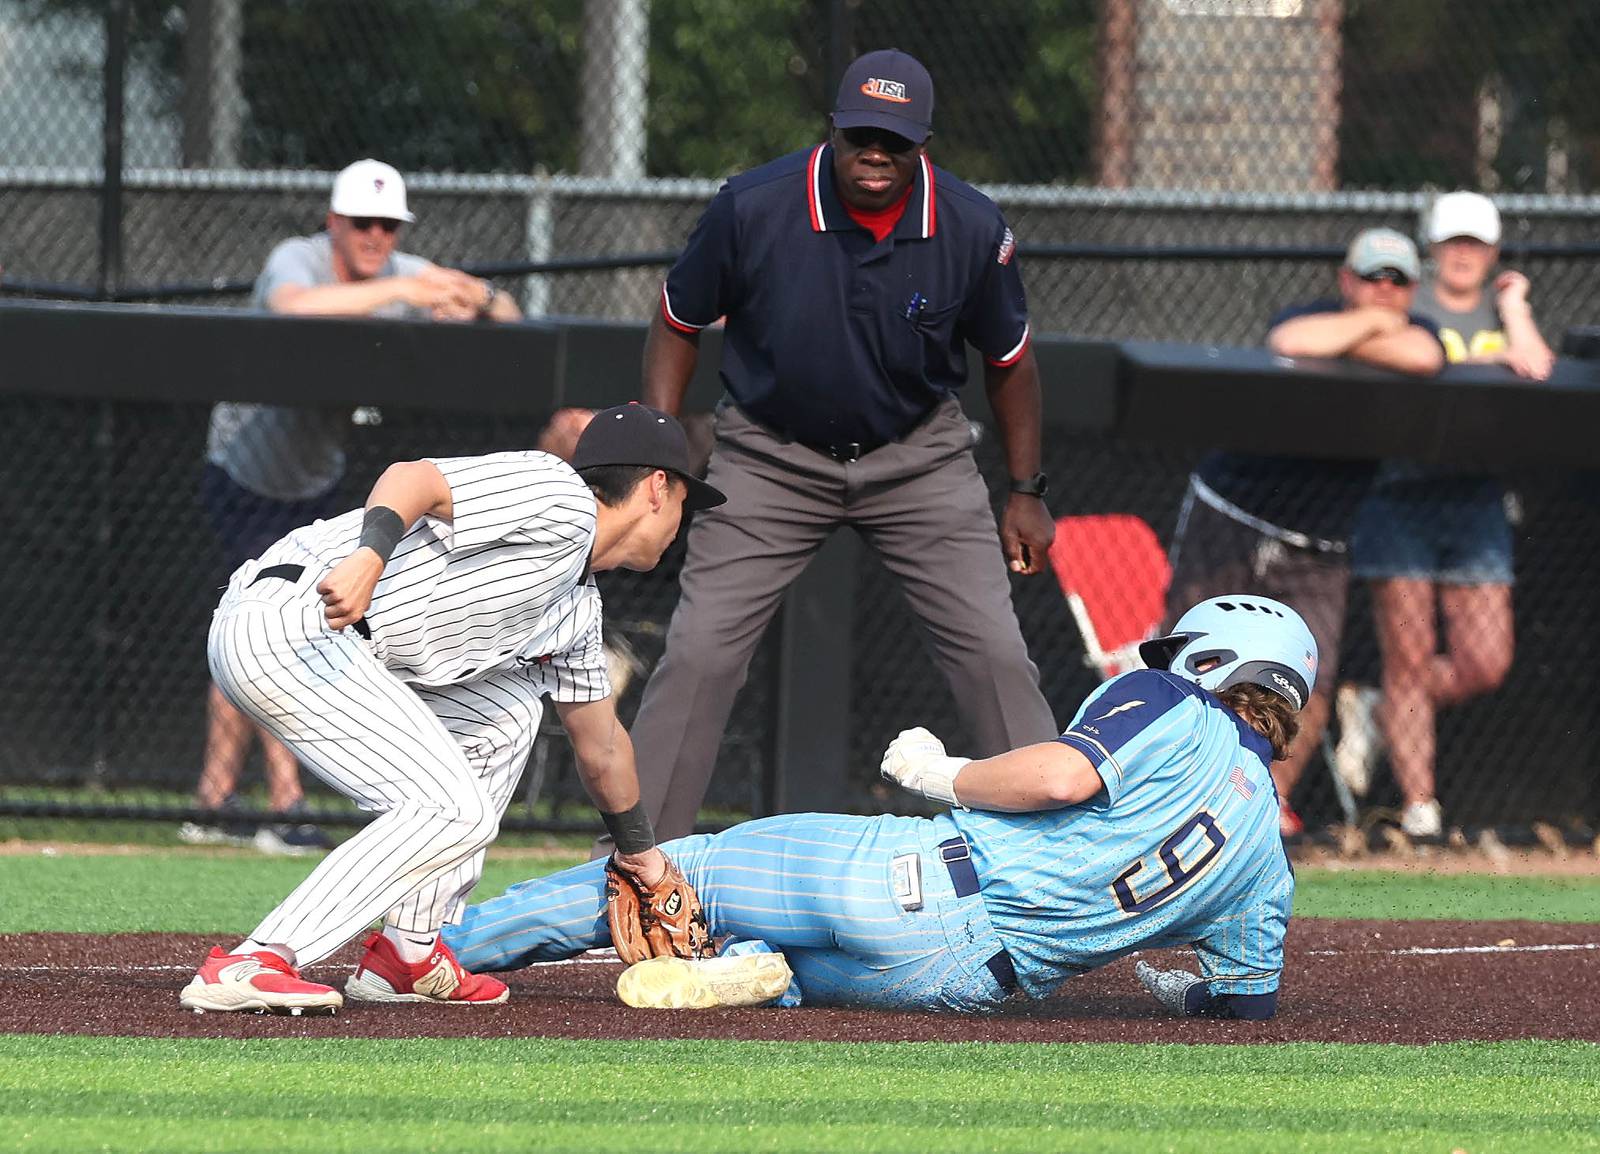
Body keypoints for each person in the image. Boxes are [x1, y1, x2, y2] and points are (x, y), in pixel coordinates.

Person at [446, 595, 1312, 1019]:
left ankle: (434, 954)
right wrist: (1185, 995)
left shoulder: (1175, 703)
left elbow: (1061, 779)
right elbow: (1246, 1001)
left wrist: (948, 773)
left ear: (1216, 660)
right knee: (777, 958)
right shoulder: (1267, 860)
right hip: (967, 983)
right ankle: (756, 972)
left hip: (917, 882)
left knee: (673, 868)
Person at [622, 49, 1059, 844]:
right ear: (834, 128)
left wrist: (1026, 487)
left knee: (994, 654)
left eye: (894, 140)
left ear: (922, 143)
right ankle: (634, 870)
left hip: (917, 457)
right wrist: (660, 445)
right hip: (769, 453)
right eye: (862, 134)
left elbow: (1010, 363)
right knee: (700, 654)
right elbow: (677, 322)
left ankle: (1060, 865)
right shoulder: (755, 205)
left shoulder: (969, 224)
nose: (876, 154)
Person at [178, 403, 727, 1015]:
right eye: (684, 500)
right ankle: (258, 959)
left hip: (341, 650)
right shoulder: (559, 494)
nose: (682, 520)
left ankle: (407, 953)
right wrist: (369, 556)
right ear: (658, 487)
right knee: (451, 808)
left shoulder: (575, 608)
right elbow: (413, 478)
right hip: (294, 621)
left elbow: (601, 746)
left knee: (510, 715)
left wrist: (642, 856)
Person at [182, 158, 522, 855]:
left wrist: (474, 299)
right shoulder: (300, 258)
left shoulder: (402, 269)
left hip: (316, 477)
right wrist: (406, 288)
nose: (374, 236)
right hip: (249, 472)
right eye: (362, 223)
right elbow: (293, 307)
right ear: (333, 221)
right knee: (272, 628)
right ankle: (281, 803)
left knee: (278, 626)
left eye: (387, 226)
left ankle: (215, 799)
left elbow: (510, 317)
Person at [1163, 228, 1446, 838]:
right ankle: (1172, 797)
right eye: (1373, 278)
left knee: (1306, 674)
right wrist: (1374, 327)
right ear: (1347, 280)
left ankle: (1262, 806)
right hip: (1235, 507)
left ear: (1414, 289)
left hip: (1322, 538)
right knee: (1189, 655)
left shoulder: (1421, 333)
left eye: (1397, 281)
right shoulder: (1309, 313)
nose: (1384, 291)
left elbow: (1426, 357)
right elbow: (1292, 341)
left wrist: (1357, 338)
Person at [1334, 194, 1545, 838]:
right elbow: (1416, 367)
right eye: (1452, 241)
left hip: (1476, 499)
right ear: (1432, 246)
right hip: (1400, 495)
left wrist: (1515, 309)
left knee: (1485, 660)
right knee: (1409, 655)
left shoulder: (1502, 311)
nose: (1463, 253)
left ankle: (1373, 708)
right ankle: (1420, 807)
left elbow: (1536, 368)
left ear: (1494, 253)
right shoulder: (1409, 309)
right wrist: (1487, 364)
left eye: (1475, 244)